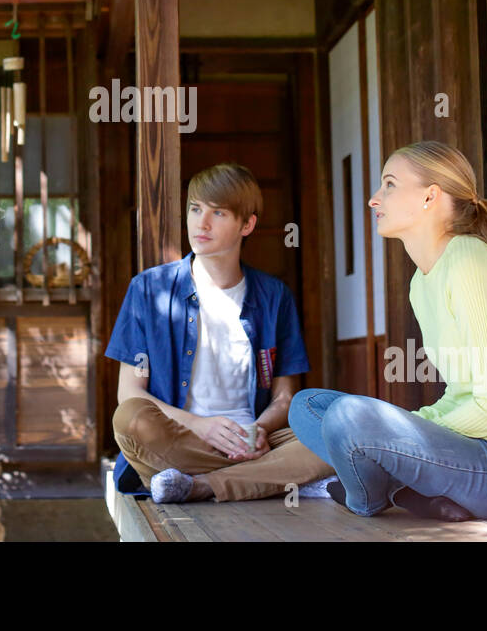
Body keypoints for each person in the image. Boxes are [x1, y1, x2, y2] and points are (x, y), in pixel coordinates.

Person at [289, 140, 487, 522]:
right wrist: (406, 433)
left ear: (429, 197)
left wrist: (406, 434)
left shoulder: (469, 261)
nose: (373, 199)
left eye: (389, 184)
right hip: (469, 453)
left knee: (351, 417)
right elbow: (460, 392)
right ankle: (405, 489)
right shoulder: (422, 281)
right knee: (307, 407)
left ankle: (369, 496)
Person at [105, 162, 335, 504]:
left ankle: (200, 485)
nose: (202, 222)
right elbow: (130, 394)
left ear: (247, 224)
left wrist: (259, 430)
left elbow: (285, 398)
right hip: (180, 438)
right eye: (195, 209)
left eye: (218, 213)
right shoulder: (148, 289)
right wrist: (201, 425)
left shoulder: (273, 297)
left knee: (331, 436)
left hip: (253, 442)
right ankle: (263, 479)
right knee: (130, 419)